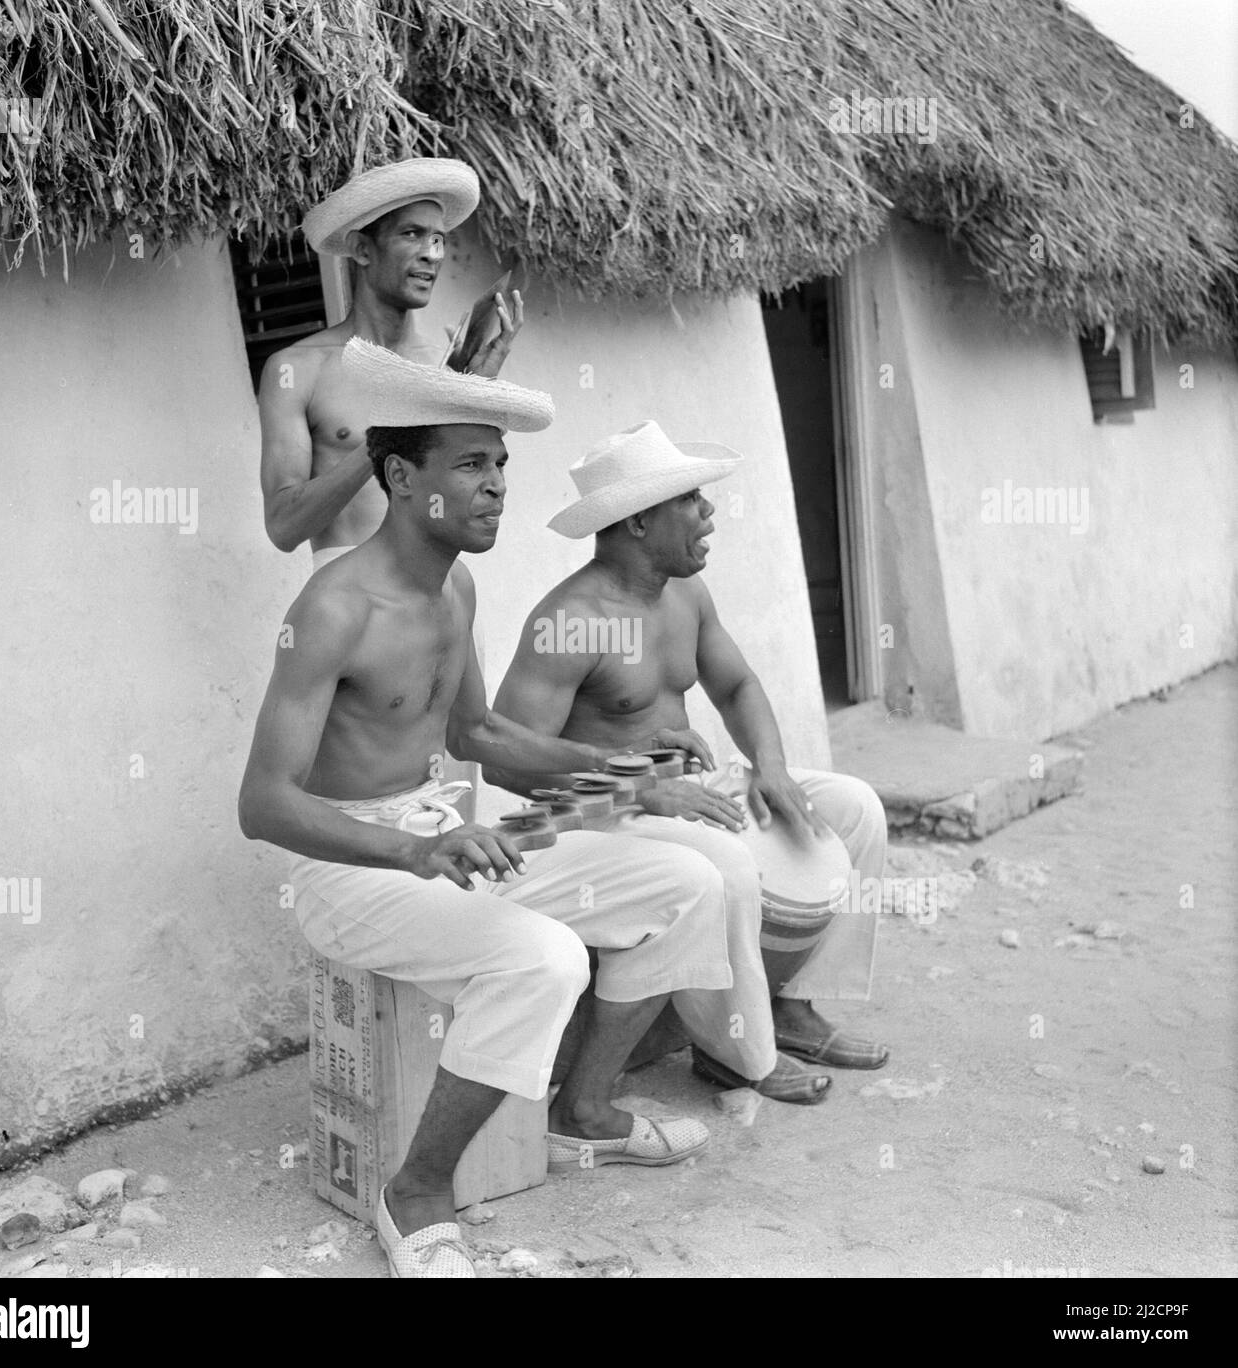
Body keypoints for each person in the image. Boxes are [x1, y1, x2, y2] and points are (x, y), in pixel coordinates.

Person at [239, 355, 732, 1279]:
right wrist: (412, 850)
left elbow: (479, 733)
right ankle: (417, 1193)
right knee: (542, 957)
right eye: (470, 464)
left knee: (687, 881)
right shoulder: (334, 607)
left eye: (500, 463)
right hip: (352, 869)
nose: (497, 484)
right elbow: (263, 805)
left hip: (447, 842)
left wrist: (625, 766)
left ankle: (583, 1114)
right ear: (400, 477)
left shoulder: (454, 588)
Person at [488, 420, 891, 1106]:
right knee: (726, 864)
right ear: (639, 521)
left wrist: (770, 764)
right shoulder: (569, 621)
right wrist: (635, 787)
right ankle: (741, 1055)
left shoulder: (686, 594)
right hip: (603, 811)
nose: (709, 512)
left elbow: (738, 686)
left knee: (855, 808)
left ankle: (793, 1006)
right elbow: (507, 761)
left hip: (688, 789)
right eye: (691, 500)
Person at [258, 157, 524, 568]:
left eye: (438, 239)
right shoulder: (297, 369)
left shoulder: (445, 368)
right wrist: (392, 430)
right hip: (348, 592)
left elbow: (459, 500)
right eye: (412, 234)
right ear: (362, 249)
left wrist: (472, 393)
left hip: (442, 588)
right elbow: (284, 527)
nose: (431, 254)